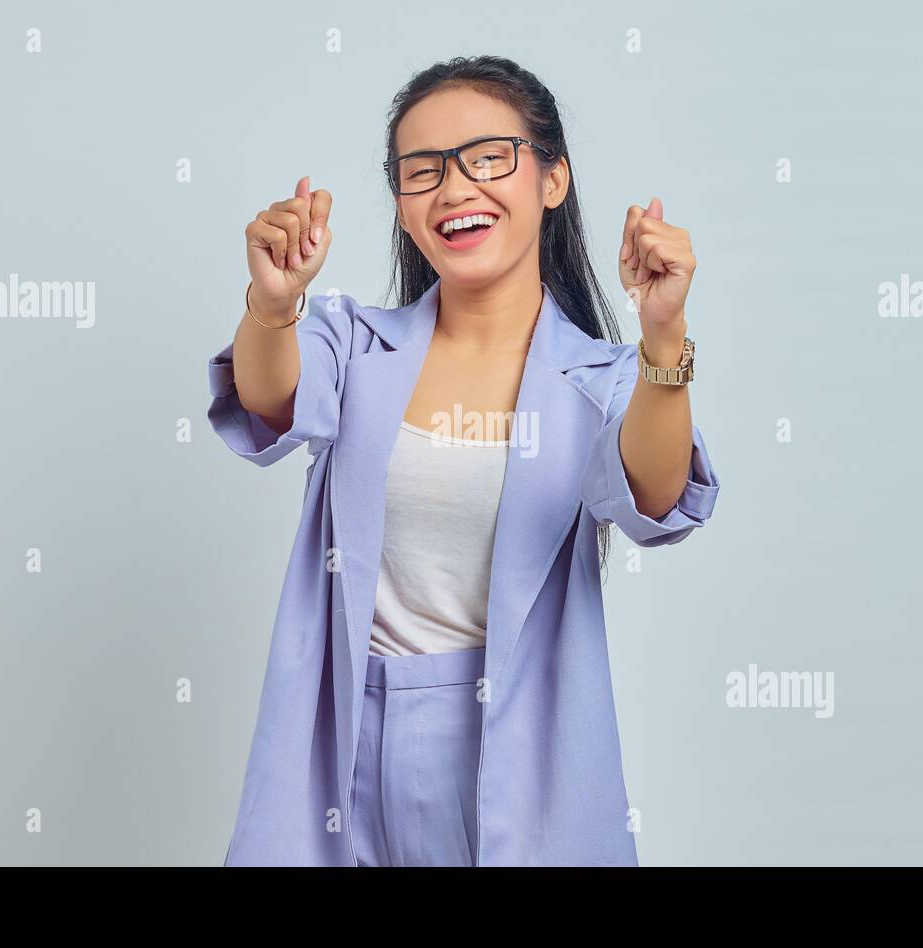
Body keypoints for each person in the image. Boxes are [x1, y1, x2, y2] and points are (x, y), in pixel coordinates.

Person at [208, 54, 720, 866]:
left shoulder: (603, 382)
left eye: (488, 158)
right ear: (403, 201)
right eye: (423, 171)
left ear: (553, 179)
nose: (455, 190)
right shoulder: (353, 344)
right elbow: (268, 398)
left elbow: (656, 499)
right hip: (343, 741)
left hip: (514, 751)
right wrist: (271, 306)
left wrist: (663, 339)